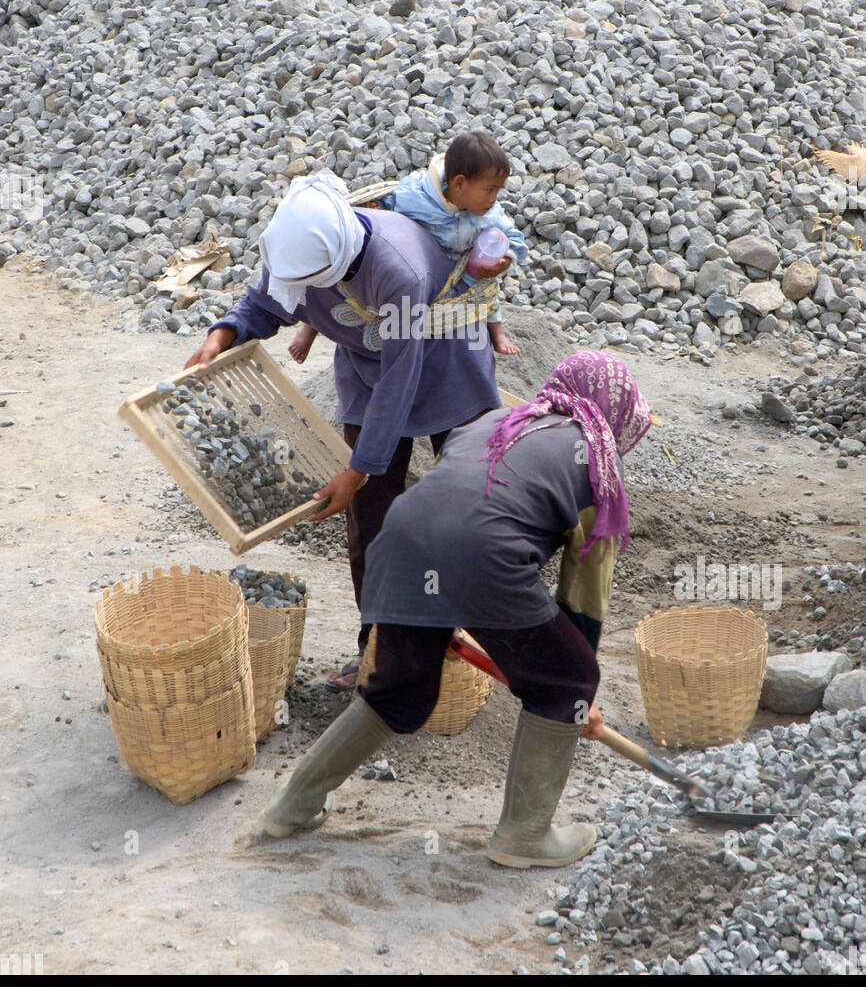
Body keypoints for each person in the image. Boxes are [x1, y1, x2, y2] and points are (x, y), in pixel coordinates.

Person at [257, 352, 654, 869]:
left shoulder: (498, 419)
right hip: (479, 557)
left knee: (398, 692)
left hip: (398, 545)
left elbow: (455, 503)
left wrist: (434, 611)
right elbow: (584, 589)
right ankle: (525, 836)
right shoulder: (598, 464)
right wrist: (573, 686)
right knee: (567, 677)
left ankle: (292, 806)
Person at [184, 170, 502, 690]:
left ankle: (478, 640)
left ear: (334, 269)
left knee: (473, 507)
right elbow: (263, 302)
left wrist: (354, 472)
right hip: (366, 359)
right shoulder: (298, 249)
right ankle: (376, 647)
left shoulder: (396, 271)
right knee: (370, 524)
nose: (300, 291)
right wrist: (222, 335)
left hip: (446, 365)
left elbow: (400, 384)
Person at [288, 131, 528, 365]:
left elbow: (513, 237)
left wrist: (504, 260)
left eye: (498, 190)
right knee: (345, 274)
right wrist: (377, 210)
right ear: (459, 183)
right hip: (407, 263)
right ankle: (311, 328)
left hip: (451, 270)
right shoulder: (418, 196)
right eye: (489, 189)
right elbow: (387, 206)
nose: (494, 198)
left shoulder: (489, 214)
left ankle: (496, 331)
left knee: (487, 287)